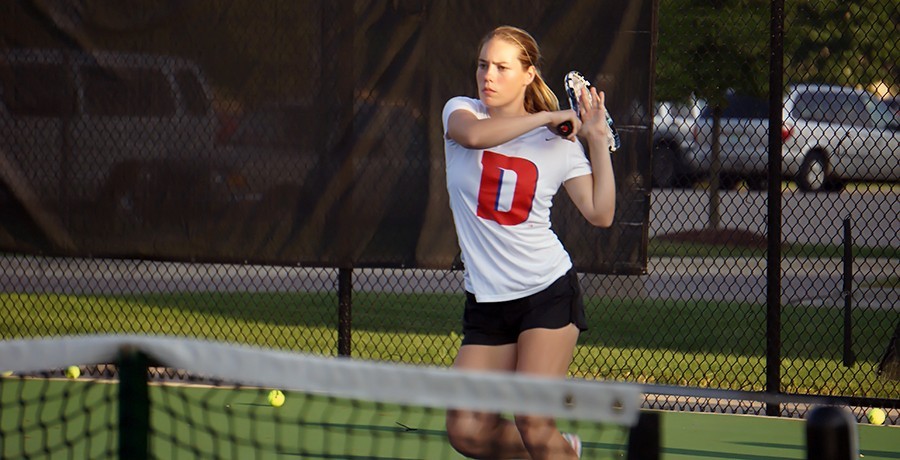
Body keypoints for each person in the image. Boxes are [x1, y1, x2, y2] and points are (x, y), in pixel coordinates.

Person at [442, 25, 617, 460]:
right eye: (484, 65)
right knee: (466, 431)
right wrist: (547, 117)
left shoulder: (555, 147)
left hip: (546, 293)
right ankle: (563, 452)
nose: (489, 76)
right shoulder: (461, 112)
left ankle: (553, 447)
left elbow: (601, 212)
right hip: (486, 303)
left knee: (533, 423)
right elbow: (475, 138)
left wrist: (596, 142)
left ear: (527, 74)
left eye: (502, 67)